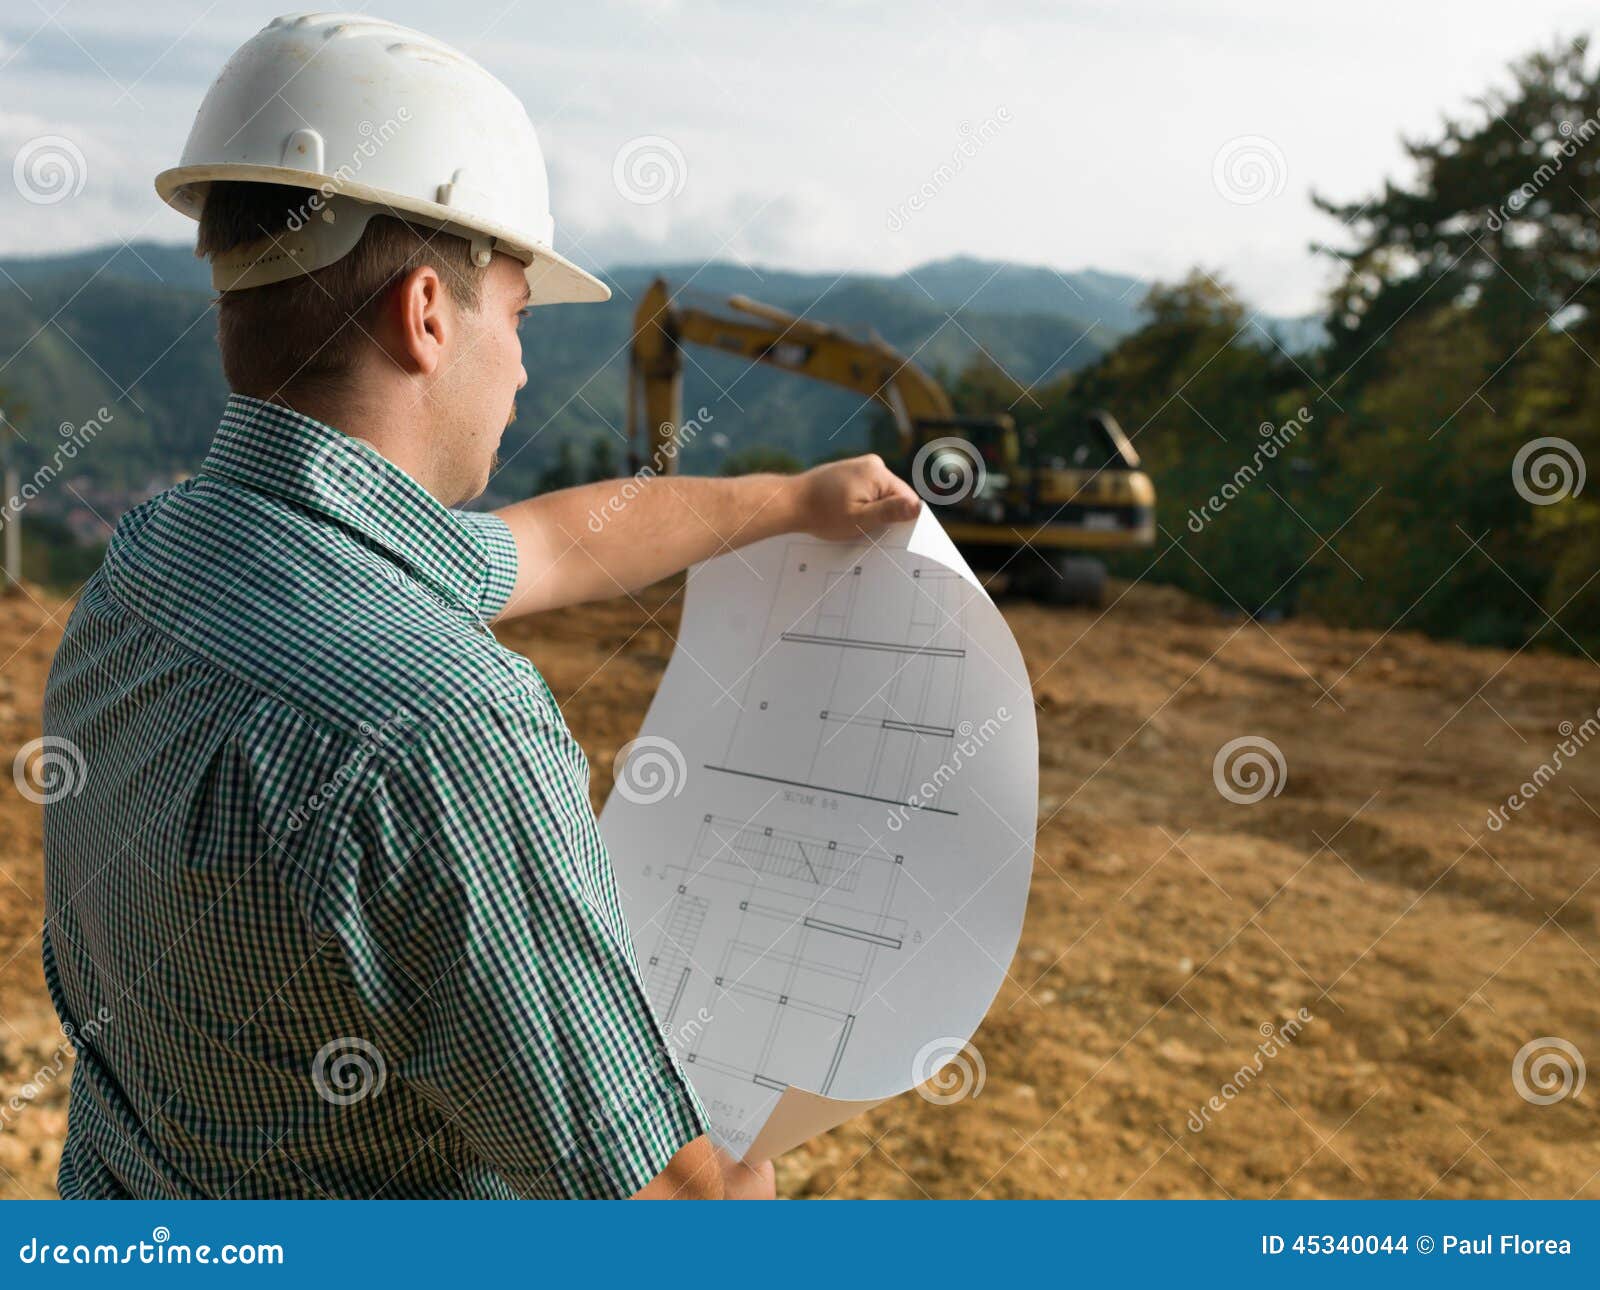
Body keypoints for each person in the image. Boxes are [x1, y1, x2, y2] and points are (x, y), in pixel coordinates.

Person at [39, 13, 920, 1200]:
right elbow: (663, 1208)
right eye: (516, 316)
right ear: (425, 314)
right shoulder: (446, 729)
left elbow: (554, 544)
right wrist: (740, 1185)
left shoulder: (154, 565)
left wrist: (793, 500)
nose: (521, 366)